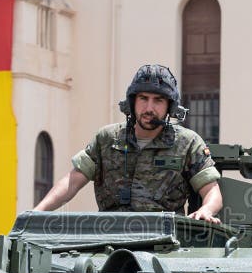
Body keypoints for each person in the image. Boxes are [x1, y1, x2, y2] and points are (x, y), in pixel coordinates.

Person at [34, 64, 222, 223]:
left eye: (158, 100)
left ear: (169, 106)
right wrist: (37, 213)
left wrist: (207, 210)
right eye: (143, 98)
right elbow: (72, 182)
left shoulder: (187, 143)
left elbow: (212, 192)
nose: (149, 108)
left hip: (164, 244)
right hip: (108, 236)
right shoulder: (107, 138)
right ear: (132, 102)